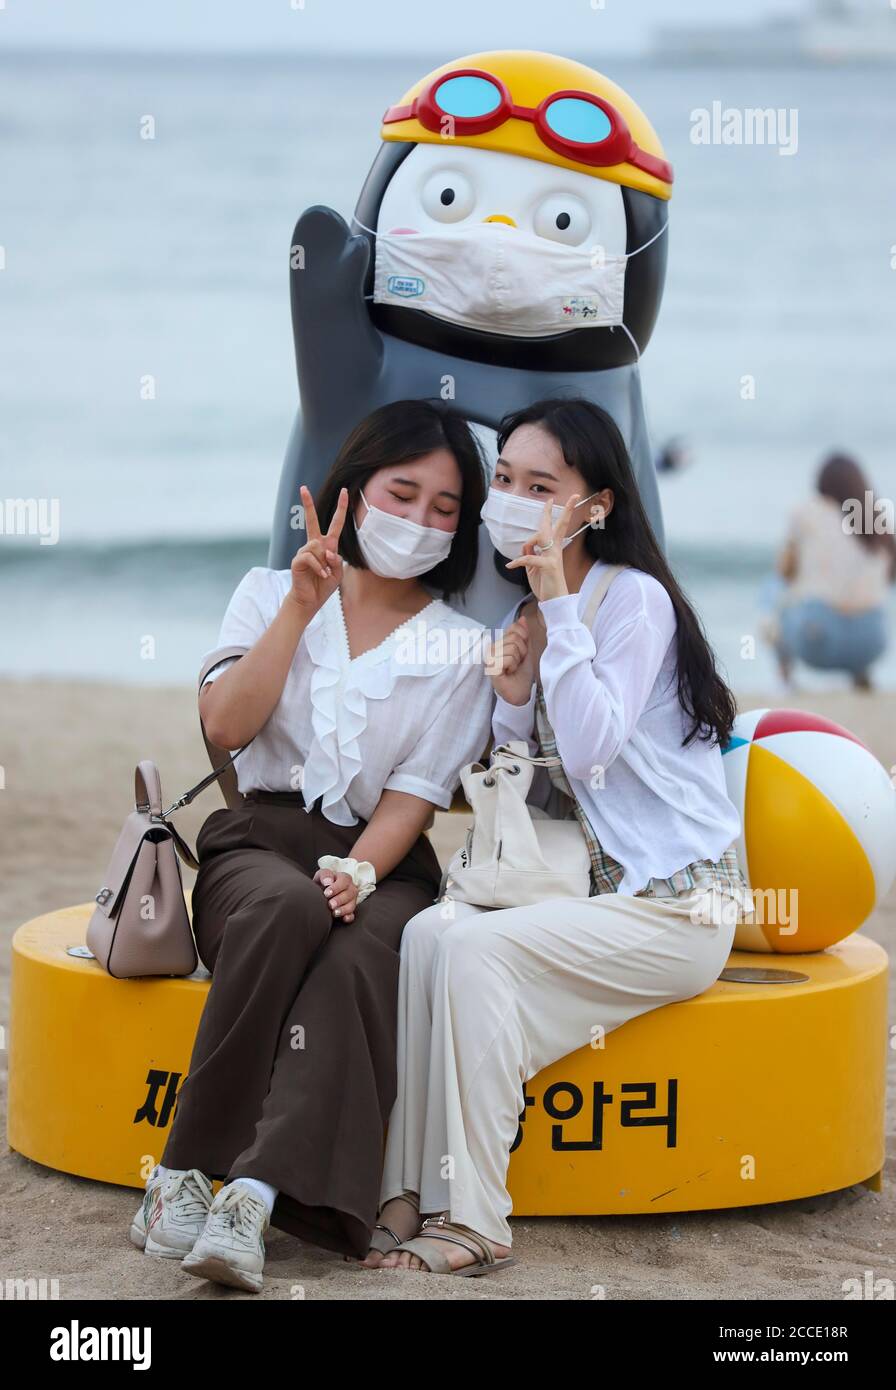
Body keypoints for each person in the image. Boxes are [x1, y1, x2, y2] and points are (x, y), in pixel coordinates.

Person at [365, 396, 755, 1276]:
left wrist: (554, 610)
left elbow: (592, 744)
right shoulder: (541, 617)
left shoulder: (633, 602)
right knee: (431, 935)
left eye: (540, 485)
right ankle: (406, 1190)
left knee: (475, 957)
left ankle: (474, 1218)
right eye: (503, 479)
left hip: (680, 906)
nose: (511, 498)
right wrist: (511, 698)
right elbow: (533, 786)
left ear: (596, 506)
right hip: (594, 895)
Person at [128, 399, 494, 1291]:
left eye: (446, 509)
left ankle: (251, 1194)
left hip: (386, 859)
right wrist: (300, 607)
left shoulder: (464, 649)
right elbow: (224, 724)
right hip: (258, 836)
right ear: (352, 489)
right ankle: (179, 1176)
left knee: (357, 956)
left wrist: (363, 869)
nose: (420, 521)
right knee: (289, 906)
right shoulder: (264, 592)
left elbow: (414, 796)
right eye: (402, 493)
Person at [764, 452, 896, 690]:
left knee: (772, 589)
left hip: (819, 638)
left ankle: (785, 677)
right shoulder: (876, 518)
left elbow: (784, 571)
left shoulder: (806, 512)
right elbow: (889, 579)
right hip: (872, 641)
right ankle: (860, 673)